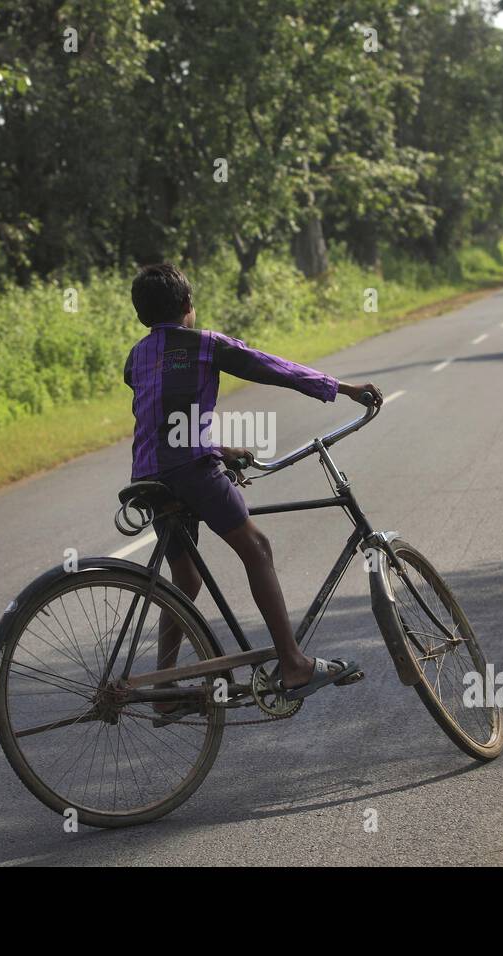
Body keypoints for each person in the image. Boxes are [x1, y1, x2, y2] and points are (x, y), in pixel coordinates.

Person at [123, 263, 380, 714]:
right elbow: (271, 367)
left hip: (148, 478)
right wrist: (342, 388)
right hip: (189, 470)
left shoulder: (137, 357)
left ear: (142, 316)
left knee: (183, 579)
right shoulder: (206, 345)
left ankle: (164, 690)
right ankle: (294, 663)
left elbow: (161, 421)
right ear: (188, 307)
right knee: (257, 548)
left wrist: (218, 450)